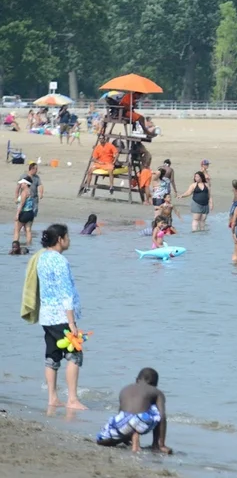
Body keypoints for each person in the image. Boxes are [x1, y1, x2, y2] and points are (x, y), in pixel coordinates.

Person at [36, 224, 86, 409]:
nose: (69, 240)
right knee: (75, 354)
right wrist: (71, 322)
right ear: (60, 239)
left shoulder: (42, 258)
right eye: (67, 237)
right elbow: (66, 293)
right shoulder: (60, 261)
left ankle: (53, 398)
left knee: (52, 354)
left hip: (46, 316)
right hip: (60, 316)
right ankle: (72, 399)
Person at [96, 367, 171, 454]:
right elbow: (162, 416)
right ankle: (156, 445)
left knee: (101, 440)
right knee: (155, 410)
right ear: (155, 384)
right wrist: (162, 444)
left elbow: (121, 412)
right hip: (140, 421)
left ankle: (127, 437)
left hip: (122, 422)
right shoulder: (156, 391)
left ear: (137, 380)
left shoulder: (125, 389)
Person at [14, 177, 35, 247]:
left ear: (26, 184)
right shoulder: (31, 192)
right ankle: (29, 245)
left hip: (24, 213)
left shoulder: (24, 192)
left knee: (17, 230)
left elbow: (22, 204)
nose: (21, 185)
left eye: (22, 183)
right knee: (28, 230)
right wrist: (18, 188)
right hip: (30, 213)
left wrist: (17, 214)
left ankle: (15, 246)